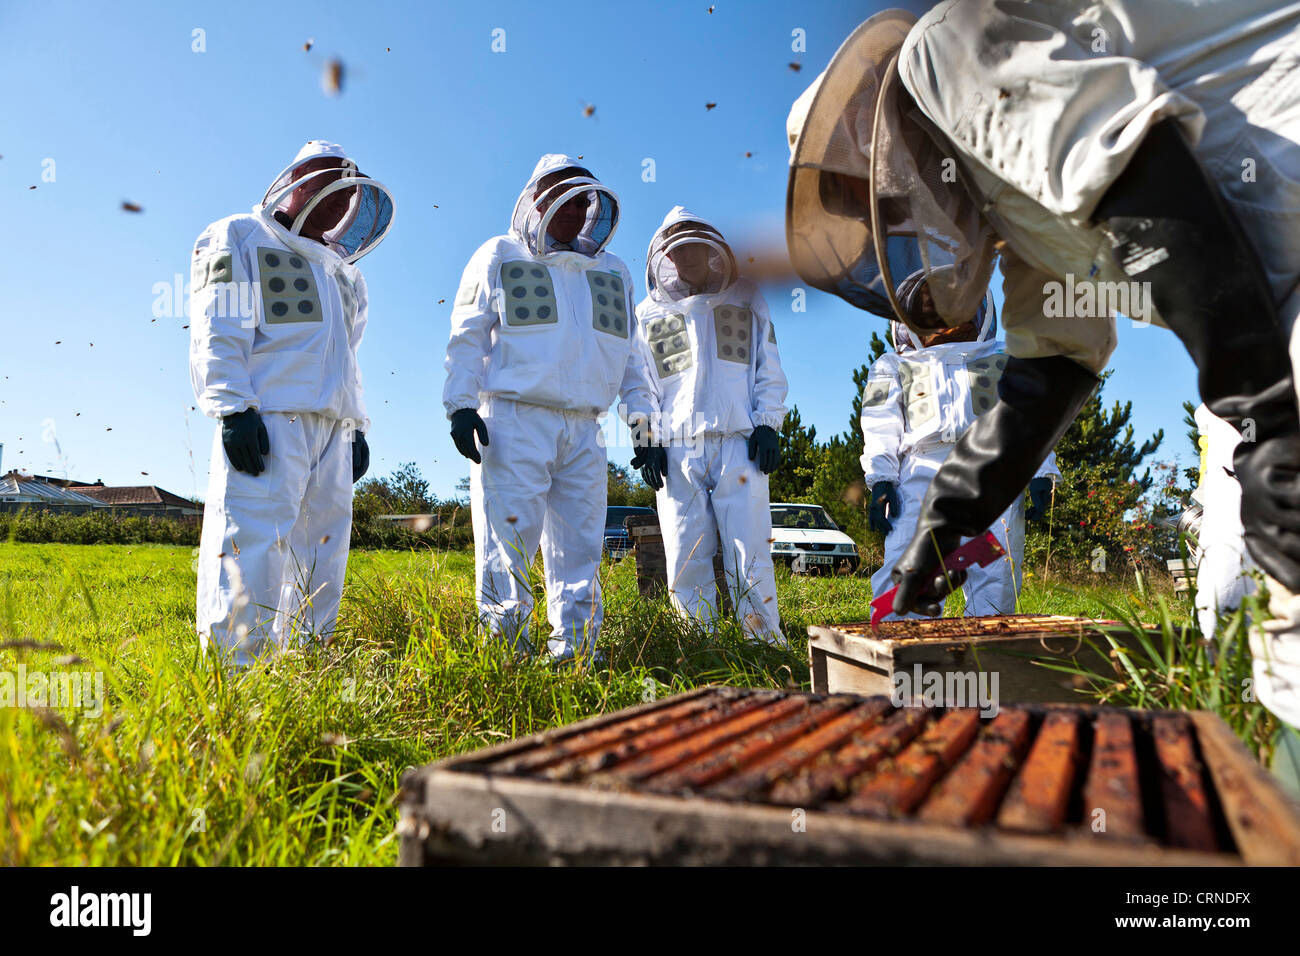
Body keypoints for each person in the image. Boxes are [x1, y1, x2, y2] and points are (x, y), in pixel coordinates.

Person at [785, 2, 1300, 729]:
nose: (905, 232)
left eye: (891, 209)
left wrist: (1274, 419)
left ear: (884, 149)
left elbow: (1146, 181)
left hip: (1276, 267)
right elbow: (1052, 364)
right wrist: (942, 531)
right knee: (1237, 599)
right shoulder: (1016, 206)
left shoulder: (942, 55)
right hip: (1256, 322)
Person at [442, 154, 655, 662]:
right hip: (513, 420)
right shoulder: (498, 254)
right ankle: (505, 657)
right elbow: (467, 333)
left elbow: (631, 357)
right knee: (507, 543)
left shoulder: (613, 272)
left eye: (584, 197)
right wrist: (460, 404)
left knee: (581, 547)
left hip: (586, 427)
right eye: (563, 192)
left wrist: (644, 427)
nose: (577, 204)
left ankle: (575, 654)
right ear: (535, 198)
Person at [191, 140, 394, 666]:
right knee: (251, 544)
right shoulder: (238, 235)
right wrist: (233, 407)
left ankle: (307, 662)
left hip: (332, 427)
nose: (340, 200)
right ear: (296, 179)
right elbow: (219, 324)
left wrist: (357, 425)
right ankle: (237, 675)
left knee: (323, 553)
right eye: (329, 184)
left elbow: (348, 356)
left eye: (348, 191)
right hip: (268, 417)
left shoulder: (345, 273)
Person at [632, 207, 788, 643]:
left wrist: (768, 423)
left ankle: (764, 645)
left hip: (739, 441)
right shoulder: (648, 313)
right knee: (686, 552)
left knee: (749, 549)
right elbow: (638, 381)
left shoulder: (745, 297)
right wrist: (645, 435)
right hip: (676, 447)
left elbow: (768, 366)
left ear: (710, 248)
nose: (685, 256)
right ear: (666, 258)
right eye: (675, 250)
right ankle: (698, 645)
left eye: (692, 246)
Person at [860, 279, 1057, 619]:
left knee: (995, 569)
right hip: (919, 468)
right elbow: (879, 426)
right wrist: (880, 479)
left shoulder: (1005, 361)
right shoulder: (892, 366)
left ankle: (985, 655)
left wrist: (1041, 471)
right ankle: (903, 655)